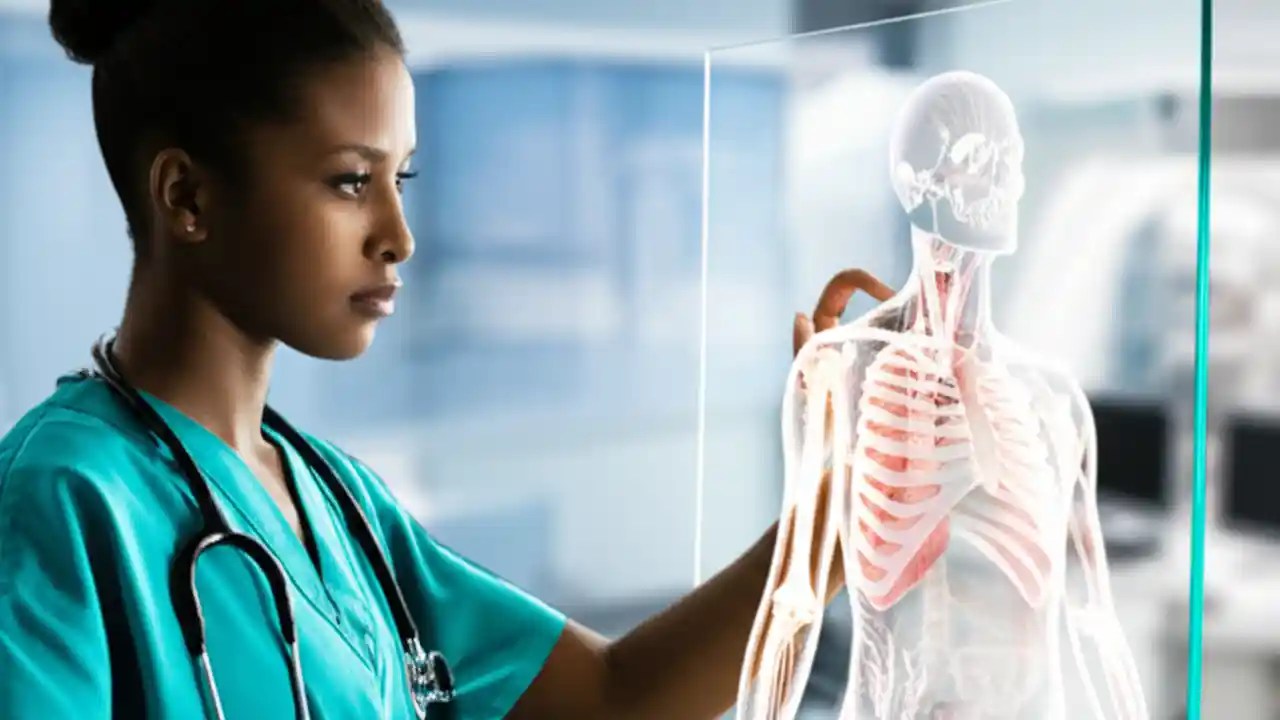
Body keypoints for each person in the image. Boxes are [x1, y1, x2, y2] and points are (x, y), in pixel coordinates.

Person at [0, 1, 895, 718]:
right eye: (352, 181)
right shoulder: (61, 499)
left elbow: (614, 697)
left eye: (404, 179)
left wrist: (843, 497)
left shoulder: (338, 502)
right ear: (187, 196)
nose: (398, 237)